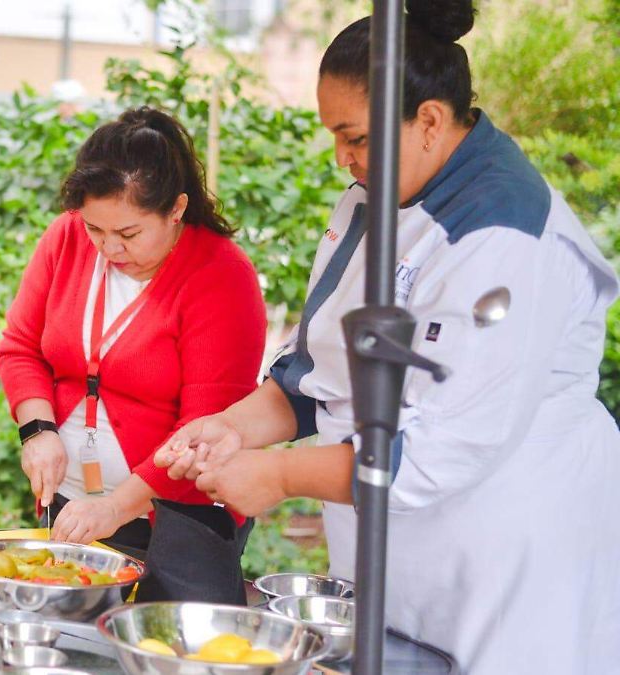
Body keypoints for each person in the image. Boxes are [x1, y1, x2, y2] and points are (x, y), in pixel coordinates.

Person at [155, 1, 620, 671]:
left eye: (357, 138)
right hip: (395, 552)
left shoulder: (507, 234)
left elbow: (436, 453)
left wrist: (280, 473)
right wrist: (231, 427)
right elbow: (317, 374)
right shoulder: (373, 198)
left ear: (429, 120)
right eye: (336, 137)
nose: (343, 158)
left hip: (504, 558)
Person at [0, 107, 267, 603]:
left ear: (177, 208)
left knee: (167, 646)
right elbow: (20, 349)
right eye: (96, 229)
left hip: (180, 518)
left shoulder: (221, 275)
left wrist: (117, 506)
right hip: (72, 506)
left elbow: (203, 434)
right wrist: (38, 431)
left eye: (129, 234)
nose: (107, 249)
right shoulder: (67, 236)